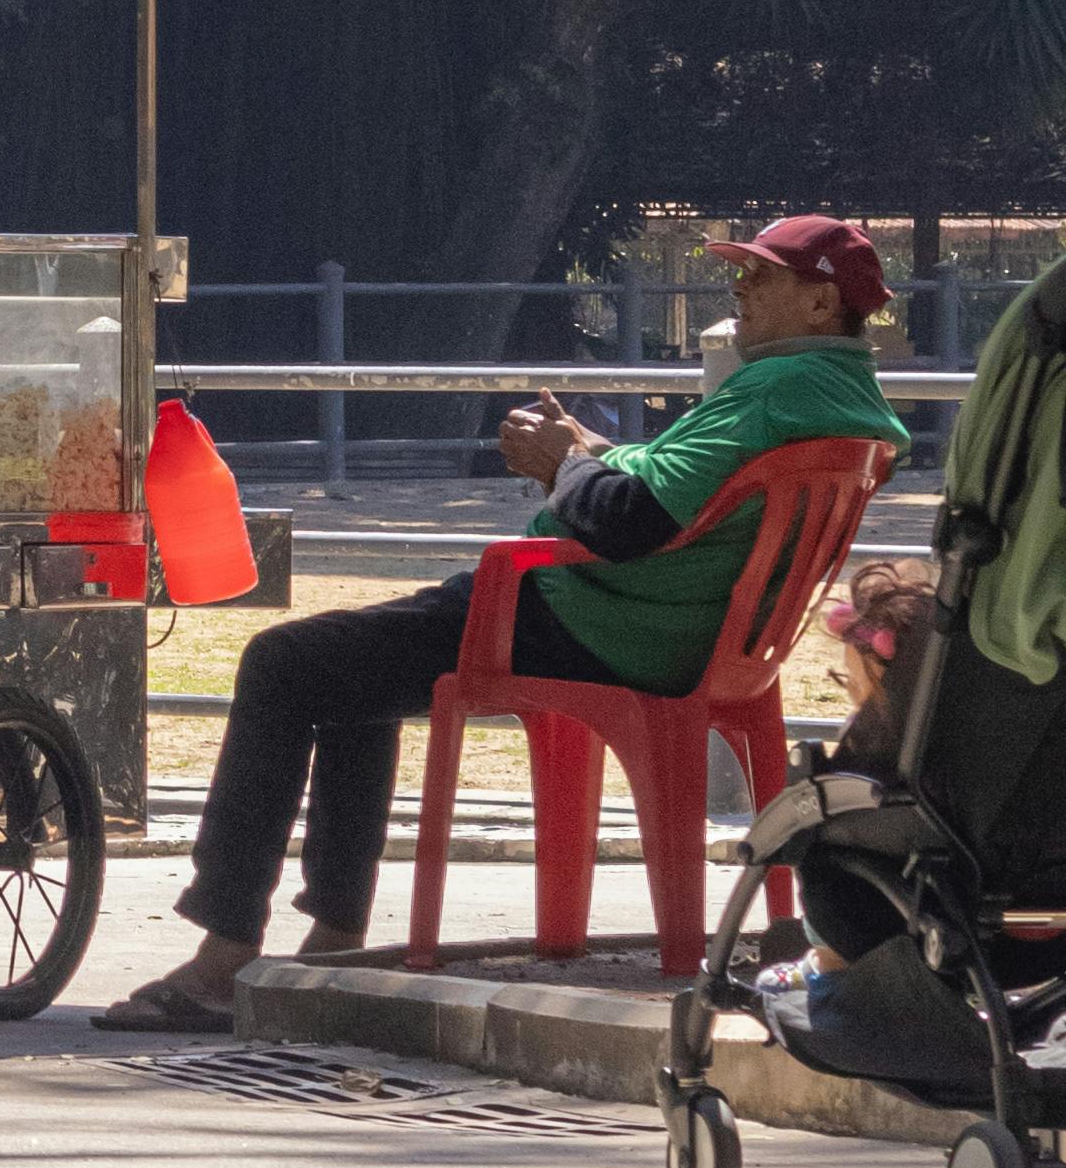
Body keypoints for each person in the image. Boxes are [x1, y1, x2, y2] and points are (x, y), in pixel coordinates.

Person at [99, 213, 913, 1025]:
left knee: (286, 662)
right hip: (686, 638)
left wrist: (563, 461)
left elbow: (629, 521)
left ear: (819, 306)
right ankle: (335, 941)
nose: (740, 286)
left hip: (589, 621)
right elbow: (679, 488)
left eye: (763, 275)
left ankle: (223, 958)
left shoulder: (772, 390)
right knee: (347, 666)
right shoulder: (843, 397)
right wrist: (588, 447)